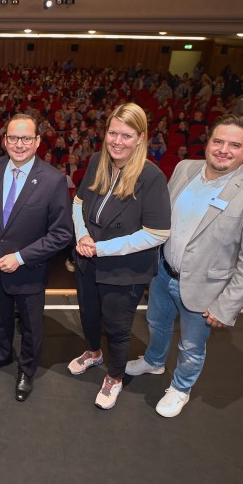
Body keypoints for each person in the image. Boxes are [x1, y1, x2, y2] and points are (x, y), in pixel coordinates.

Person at [125, 114, 243, 417]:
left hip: (205, 289)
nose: (223, 149)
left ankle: (181, 388)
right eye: (218, 141)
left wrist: (226, 306)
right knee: (156, 324)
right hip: (163, 273)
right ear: (207, 142)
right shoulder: (185, 168)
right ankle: (155, 362)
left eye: (234, 145)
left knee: (191, 346)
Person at [67, 104, 171, 409]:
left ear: (140, 137)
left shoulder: (151, 177)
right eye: (113, 132)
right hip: (88, 258)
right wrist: (82, 235)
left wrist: (101, 248)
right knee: (88, 315)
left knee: (117, 326)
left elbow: (157, 233)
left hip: (124, 268)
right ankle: (93, 353)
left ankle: (114, 377)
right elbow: (77, 202)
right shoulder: (98, 160)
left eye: (126, 135)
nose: (117, 141)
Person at [0, 114, 73, 401]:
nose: (19, 144)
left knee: (31, 327)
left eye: (26, 138)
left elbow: (62, 234)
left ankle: (27, 370)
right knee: (0, 319)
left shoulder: (53, 180)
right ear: (4, 140)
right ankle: (1, 355)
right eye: (13, 138)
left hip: (29, 270)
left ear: (38, 141)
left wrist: (21, 257)